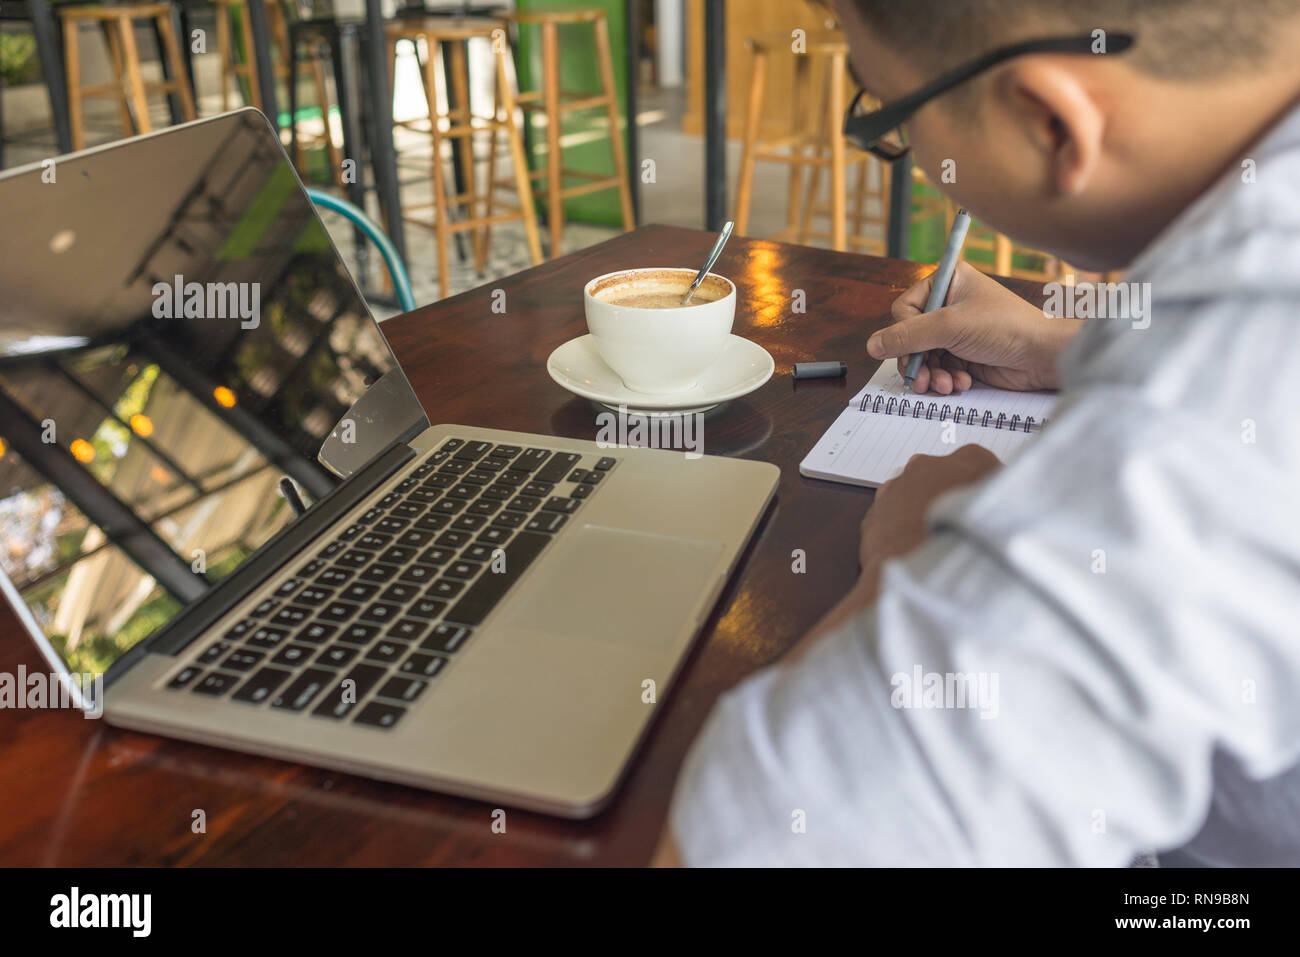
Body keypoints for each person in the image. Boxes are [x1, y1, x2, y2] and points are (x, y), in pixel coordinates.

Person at [656, 0, 1300, 866]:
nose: (918, 164)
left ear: (1051, 123)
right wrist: (1063, 348)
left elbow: (760, 837)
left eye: (885, 114)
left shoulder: (1209, 408)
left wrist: (903, 559)